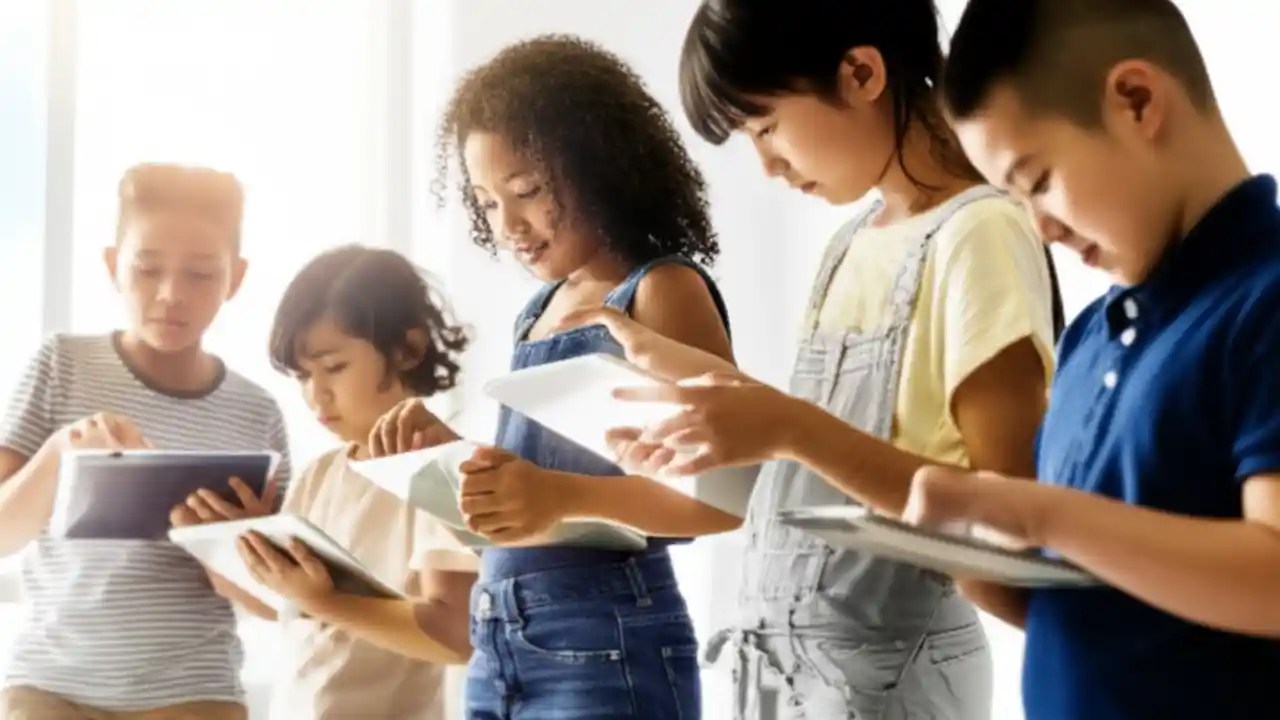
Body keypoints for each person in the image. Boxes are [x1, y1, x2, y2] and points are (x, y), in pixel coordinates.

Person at [564, 1, 1064, 716]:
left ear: (861, 72)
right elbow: (841, 452)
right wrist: (709, 392)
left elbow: (1005, 527)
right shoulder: (851, 243)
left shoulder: (979, 233)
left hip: (892, 678)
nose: (766, 165)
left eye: (765, 126)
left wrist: (787, 427)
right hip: (792, 677)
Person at [898, 0, 1280, 718]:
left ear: (1137, 101)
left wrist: (1041, 514)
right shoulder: (1087, 340)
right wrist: (976, 559)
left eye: (1037, 180)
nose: (1039, 228)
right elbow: (1107, 614)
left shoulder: (1266, 301)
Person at [410, 34, 737, 719]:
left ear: (601, 166)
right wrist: (448, 462)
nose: (509, 224)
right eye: (487, 201)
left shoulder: (661, 291)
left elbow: (715, 501)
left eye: (526, 191)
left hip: (608, 641)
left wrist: (554, 495)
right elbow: (537, 490)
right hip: (498, 637)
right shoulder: (539, 310)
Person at [0, 163, 289, 720]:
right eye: (147, 268)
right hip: (52, 691)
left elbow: (276, 602)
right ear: (113, 265)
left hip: (195, 696)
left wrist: (221, 541)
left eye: (201, 274)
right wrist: (61, 452)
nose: (170, 295)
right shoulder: (61, 365)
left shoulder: (257, 413)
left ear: (237, 277)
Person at [174, 246, 478, 719]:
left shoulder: (438, 468)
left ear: (407, 349)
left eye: (334, 367)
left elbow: (454, 634)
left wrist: (327, 600)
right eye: (303, 375)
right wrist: (235, 556)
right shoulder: (320, 474)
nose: (317, 394)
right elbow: (299, 613)